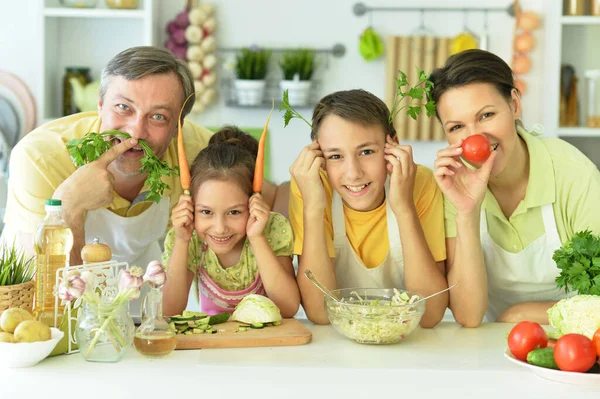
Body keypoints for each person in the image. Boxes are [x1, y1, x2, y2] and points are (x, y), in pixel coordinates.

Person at [1, 46, 280, 267]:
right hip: (34, 294)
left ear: (177, 127)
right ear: (99, 106)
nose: (136, 132)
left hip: (136, 287)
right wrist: (69, 207)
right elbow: (49, 296)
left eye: (158, 116)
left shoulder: (199, 154)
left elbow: (271, 196)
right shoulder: (39, 157)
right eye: (123, 107)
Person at [430, 49, 600, 326]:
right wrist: (466, 212)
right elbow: (468, 315)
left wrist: (520, 315)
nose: (476, 138)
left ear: (514, 104)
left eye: (486, 115)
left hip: (578, 341)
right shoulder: (453, 185)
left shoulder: (574, 176)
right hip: (490, 346)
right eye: (457, 126)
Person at [288, 89, 448, 326]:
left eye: (366, 152)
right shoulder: (311, 186)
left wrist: (404, 207)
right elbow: (320, 313)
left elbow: (430, 313)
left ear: (392, 145)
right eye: (335, 156)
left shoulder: (420, 183)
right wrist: (313, 207)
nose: (353, 173)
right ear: (318, 156)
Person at [161, 126, 300, 317]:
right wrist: (181, 241)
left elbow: (287, 308)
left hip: (267, 343)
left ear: (253, 203)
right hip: (214, 342)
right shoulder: (189, 237)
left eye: (234, 212)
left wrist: (257, 238)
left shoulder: (272, 229)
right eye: (206, 212)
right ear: (191, 207)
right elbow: (169, 311)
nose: (219, 229)